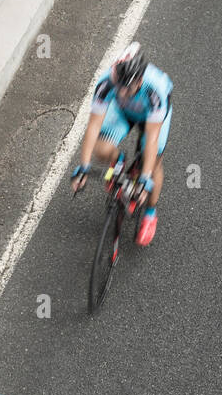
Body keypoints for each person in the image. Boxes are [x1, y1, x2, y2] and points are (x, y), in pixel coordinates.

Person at [70, 41, 172, 245]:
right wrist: (84, 166)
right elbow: (92, 127)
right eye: (119, 87)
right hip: (122, 112)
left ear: (139, 81)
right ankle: (118, 161)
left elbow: (152, 138)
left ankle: (150, 213)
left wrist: (143, 181)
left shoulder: (155, 90)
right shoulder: (107, 82)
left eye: (127, 89)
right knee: (101, 148)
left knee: (152, 165)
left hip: (151, 116)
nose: (121, 93)